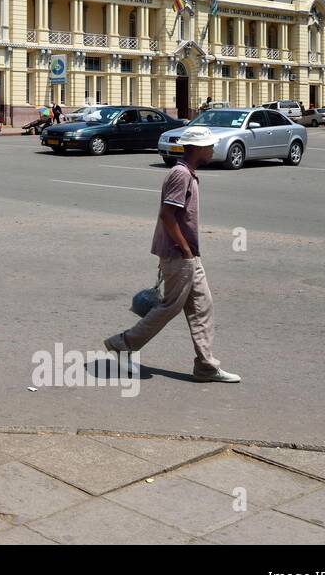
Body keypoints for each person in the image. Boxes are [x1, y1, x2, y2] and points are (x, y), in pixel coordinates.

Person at [103, 126, 241, 383]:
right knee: (169, 308)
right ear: (198, 148)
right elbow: (168, 215)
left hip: (187, 254)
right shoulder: (180, 175)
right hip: (180, 255)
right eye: (210, 146)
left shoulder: (187, 173)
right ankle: (123, 344)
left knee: (202, 308)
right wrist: (186, 250)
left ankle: (206, 366)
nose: (213, 149)